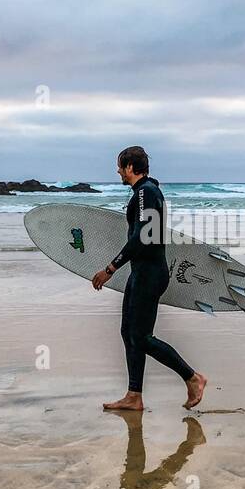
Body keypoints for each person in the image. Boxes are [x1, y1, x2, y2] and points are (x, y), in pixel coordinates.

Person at [92, 146, 207, 411]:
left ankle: (193, 378)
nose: (118, 171)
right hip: (141, 272)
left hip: (150, 274)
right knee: (128, 333)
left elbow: (142, 237)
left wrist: (110, 268)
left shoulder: (146, 192)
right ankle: (134, 395)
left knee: (141, 337)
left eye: (121, 166)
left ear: (131, 167)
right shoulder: (145, 192)